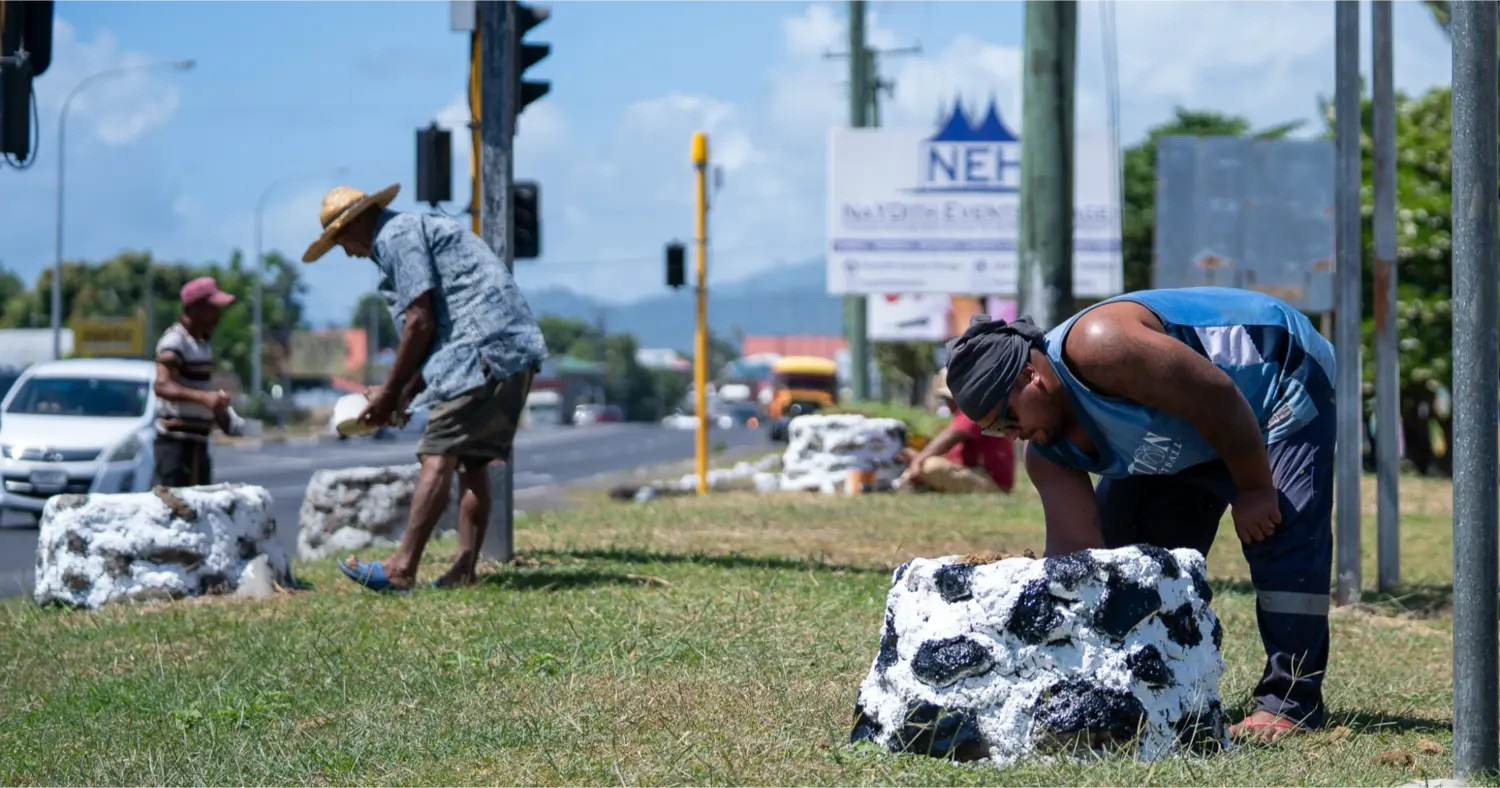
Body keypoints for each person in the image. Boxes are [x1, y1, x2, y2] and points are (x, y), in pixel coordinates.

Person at [943, 286, 1336, 743]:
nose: (1009, 435)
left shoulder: (1103, 344)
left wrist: (1252, 487)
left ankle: (1291, 703)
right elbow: (1079, 566)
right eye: (993, 429)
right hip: (1190, 424)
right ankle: (1159, 691)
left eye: (1006, 418)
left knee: (1278, 533)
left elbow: (1218, 397)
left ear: (1031, 375)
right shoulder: (1048, 456)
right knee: (1133, 561)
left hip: (1274, 378)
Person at [303, 183, 548, 592]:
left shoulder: (396, 236)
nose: (345, 251)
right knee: (472, 460)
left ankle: (401, 568)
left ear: (359, 221)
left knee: (437, 451)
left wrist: (386, 394)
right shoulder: (412, 231)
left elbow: (421, 322)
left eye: (341, 239)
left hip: (481, 354)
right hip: (507, 351)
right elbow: (433, 336)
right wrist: (400, 394)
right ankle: (464, 571)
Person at [152, 276, 245, 486]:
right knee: (175, 508)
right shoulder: (175, 341)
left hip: (198, 445)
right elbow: (162, 385)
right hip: (175, 447)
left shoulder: (201, 344)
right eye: (214, 308)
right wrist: (204, 398)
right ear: (196, 309)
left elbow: (199, 388)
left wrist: (220, 410)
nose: (218, 315)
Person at [898, 367, 1015, 494]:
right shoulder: (974, 409)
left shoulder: (974, 410)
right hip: (977, 474)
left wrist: (918, 460)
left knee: (929, 466)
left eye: (946, 399)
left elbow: (949, 437)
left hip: (990, 482)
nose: (947, 404)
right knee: (927, 464)